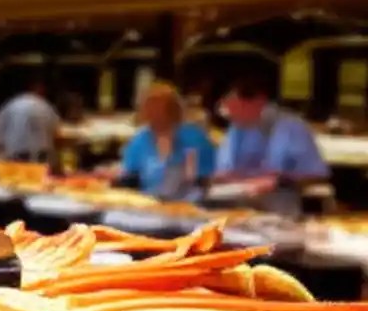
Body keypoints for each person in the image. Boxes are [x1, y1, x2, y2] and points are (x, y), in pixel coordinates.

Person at [215, 77, 328, 214]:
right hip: (237, 210)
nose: (233, 117)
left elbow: (315, 176)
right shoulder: (236, 128)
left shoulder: (293, 127)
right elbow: (224, 169)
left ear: (258, 102)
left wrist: (277, 182)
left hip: (280, 214)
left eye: (237, 108)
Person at [116, 82, 215, 200]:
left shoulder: (192, 137)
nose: (152, 113)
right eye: (148, 107)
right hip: (146, 203)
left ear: (173, 110)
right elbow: (130, 176)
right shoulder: (140, 139)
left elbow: (193, 179)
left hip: (186, 203)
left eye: (158, 108)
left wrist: (170, 155)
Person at [0, 78, 59, 162]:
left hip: (14, 153)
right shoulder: (46, 107)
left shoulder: (11, 104)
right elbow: (55, 132)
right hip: (40, 155)